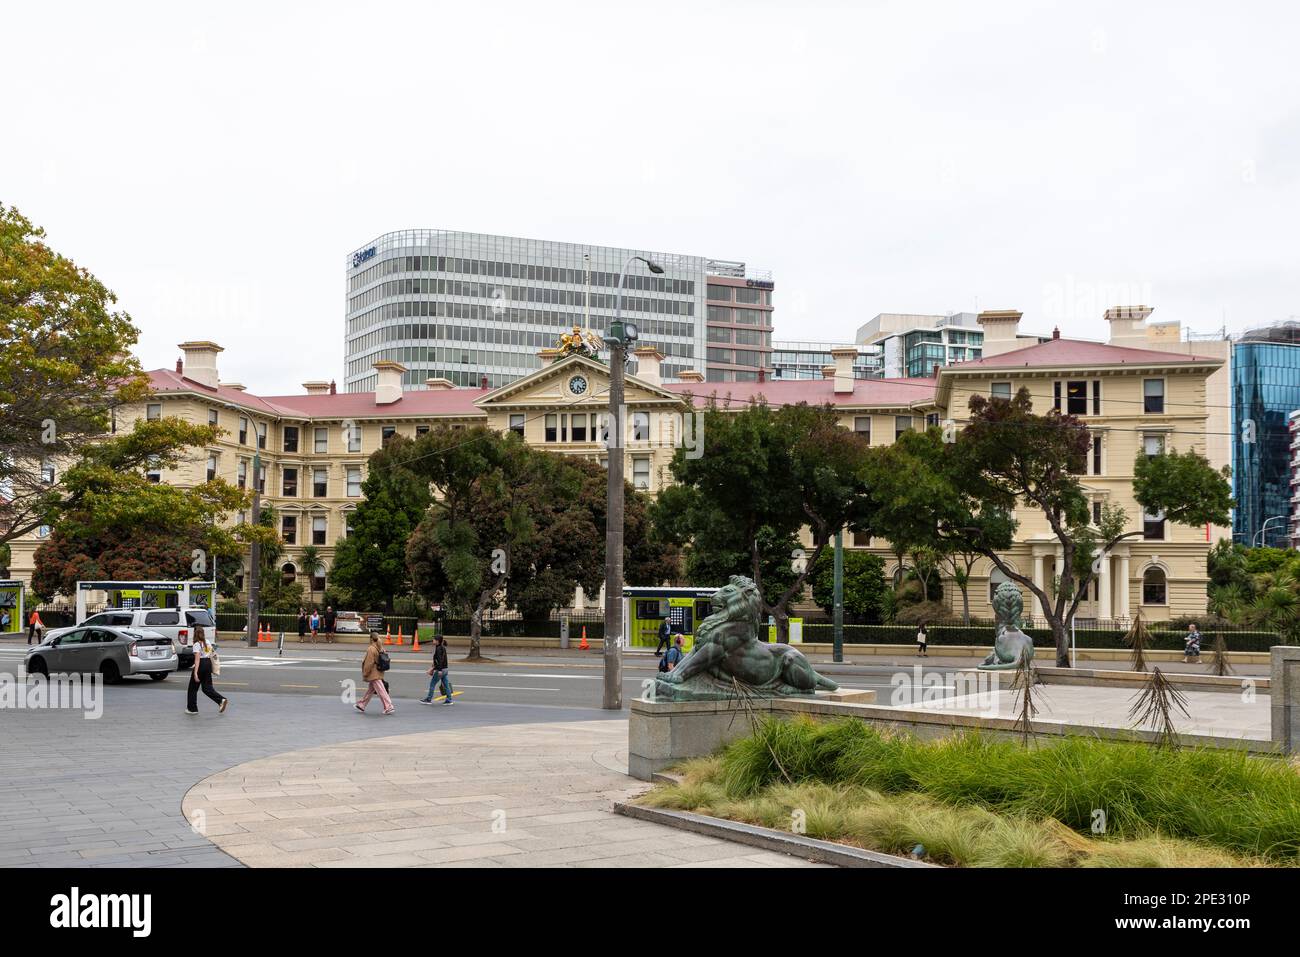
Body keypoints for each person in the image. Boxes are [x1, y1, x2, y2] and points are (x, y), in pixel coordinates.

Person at [186, 625, 228, 715]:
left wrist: (196, 673)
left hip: (201, 664)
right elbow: (212, 653)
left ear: (195, 634)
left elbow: (197, 659)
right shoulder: (208, 642)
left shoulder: (197, 644)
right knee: (207, 687)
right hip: (208, 664)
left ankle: (192, 709)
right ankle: (221, 700)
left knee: (192, 688)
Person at [356, 632, 394, 715]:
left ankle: (388, 706)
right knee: (371, 690)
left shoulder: (371, 648)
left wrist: (365, 673)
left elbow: (369, 663)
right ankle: (362, 704)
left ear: (371, 639)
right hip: (379, 671)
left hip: (373, 673)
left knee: (381, 690)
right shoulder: (380, 647)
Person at [420, 635, 454, 705]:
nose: (433, 640)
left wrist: (438, 670)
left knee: (432, 684)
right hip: (445, 669)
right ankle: (449, 699)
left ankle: (428, 699)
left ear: (437, 641)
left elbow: (439, 661)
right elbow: (440, 660)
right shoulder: (442, 647)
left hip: (440, 669)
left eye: (434, 639)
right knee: (446, 685)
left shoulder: (439, 649)